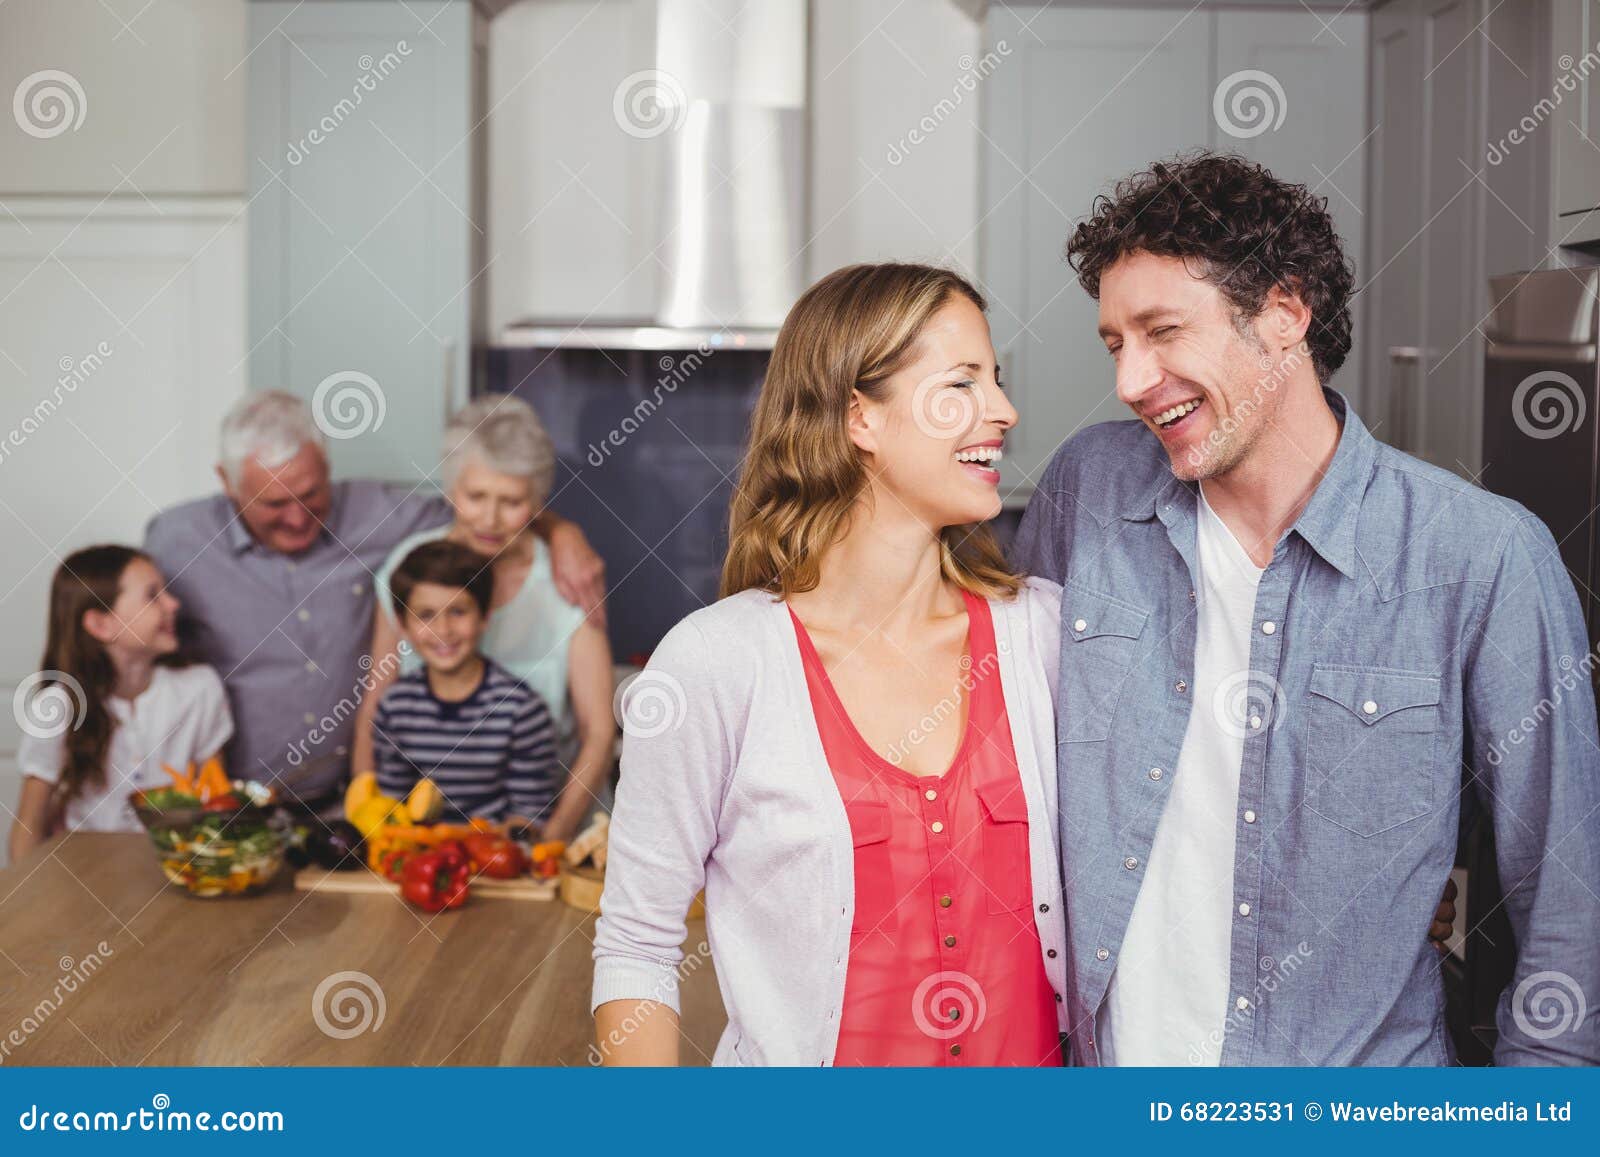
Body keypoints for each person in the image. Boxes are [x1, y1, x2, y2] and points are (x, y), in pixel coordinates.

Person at [1013, 152, 1600, 1065]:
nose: (1131, 380)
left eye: (1164, 330)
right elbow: (1007, 766)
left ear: (1284, 313)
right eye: (1115, 344)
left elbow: (1569, 906)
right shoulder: (1086, 493)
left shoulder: (1479, 556)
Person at [591, 263, 1067, 1066]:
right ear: (861, 418)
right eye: (963, 383)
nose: (1005, 411)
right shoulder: (717, 664)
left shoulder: (1045, 637)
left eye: (998, 379)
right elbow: (638, 942)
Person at [143, 391, 604, 815]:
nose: (297, 518)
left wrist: (564, 531)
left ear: (327, 466)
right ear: (227, 482)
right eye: (273, 503)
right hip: (241, 804)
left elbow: (495, 504)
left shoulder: (384, 516)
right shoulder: (177, 541)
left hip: (491, 818)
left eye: (310, 495)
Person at [357, 396, 615, 843]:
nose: (490, 520)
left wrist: (550, 840)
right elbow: (374, 705)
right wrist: (369, 822)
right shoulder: (409, 568)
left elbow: (598, 732)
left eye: (512, 501)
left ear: (538, 502)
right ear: (451, 489)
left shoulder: (567, 580)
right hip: (425, 837)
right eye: (476, 497)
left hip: (540, 821)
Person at [8, 546, 233, 862]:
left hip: (177, 870)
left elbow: (215, 801)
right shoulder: (60, 705)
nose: (173, 603)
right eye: (152, 596)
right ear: (101, 625)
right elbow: (29, 823)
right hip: (85, 877)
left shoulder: (200, 687)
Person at [372, 541, 558, 825]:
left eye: (458, 612)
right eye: (425, 615)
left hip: (494, 859)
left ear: (484, 618)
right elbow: (392, 810)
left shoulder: (521, 710)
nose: (443, 630)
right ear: (402, 624)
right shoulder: (395, 706)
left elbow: (528, 818)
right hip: (417, 858)